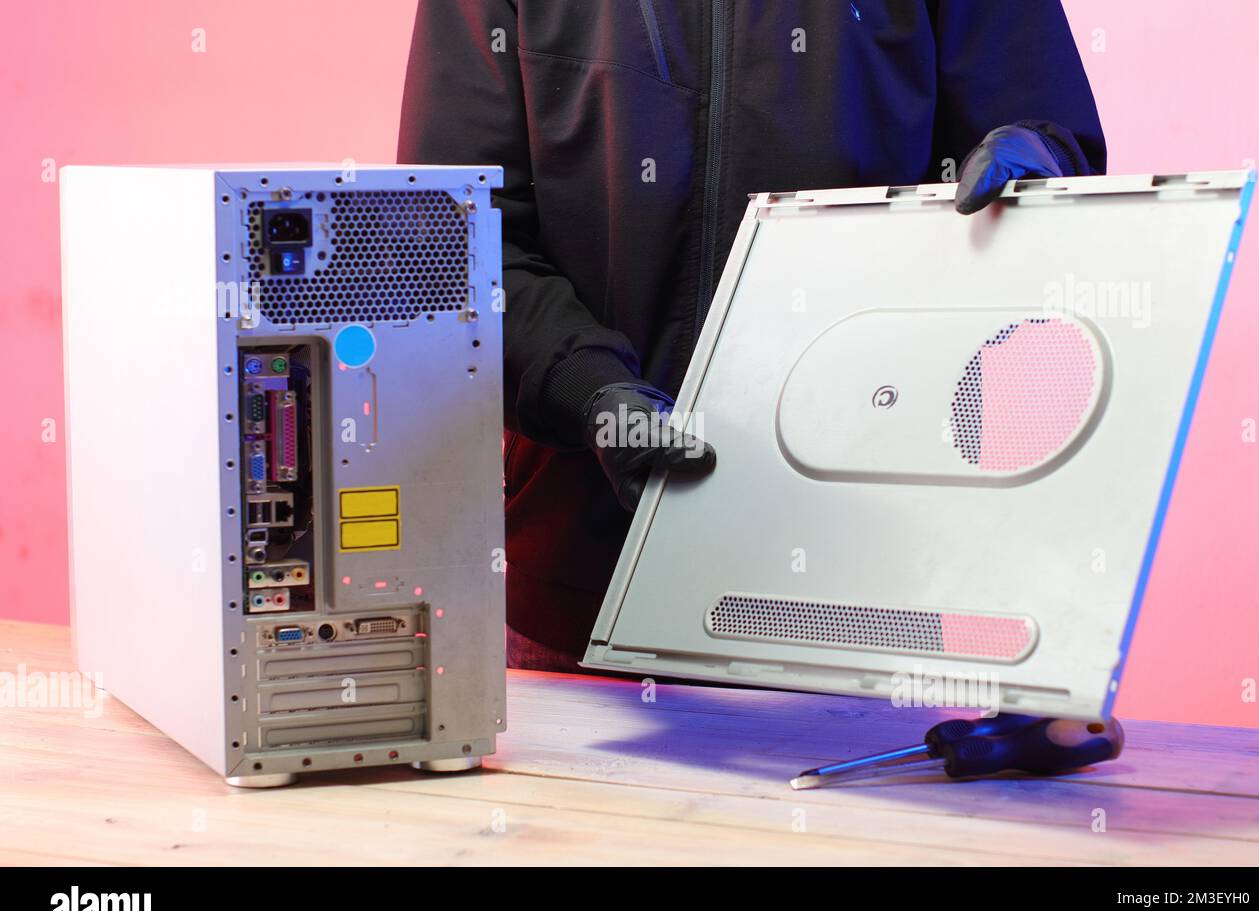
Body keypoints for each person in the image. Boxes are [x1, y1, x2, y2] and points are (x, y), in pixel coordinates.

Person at [397, 1, 1106, 672]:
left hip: (870, 580)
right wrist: (589, 392)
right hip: (579, 580)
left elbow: (1044, 136)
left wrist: (1039, 163)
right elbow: (450, 231)